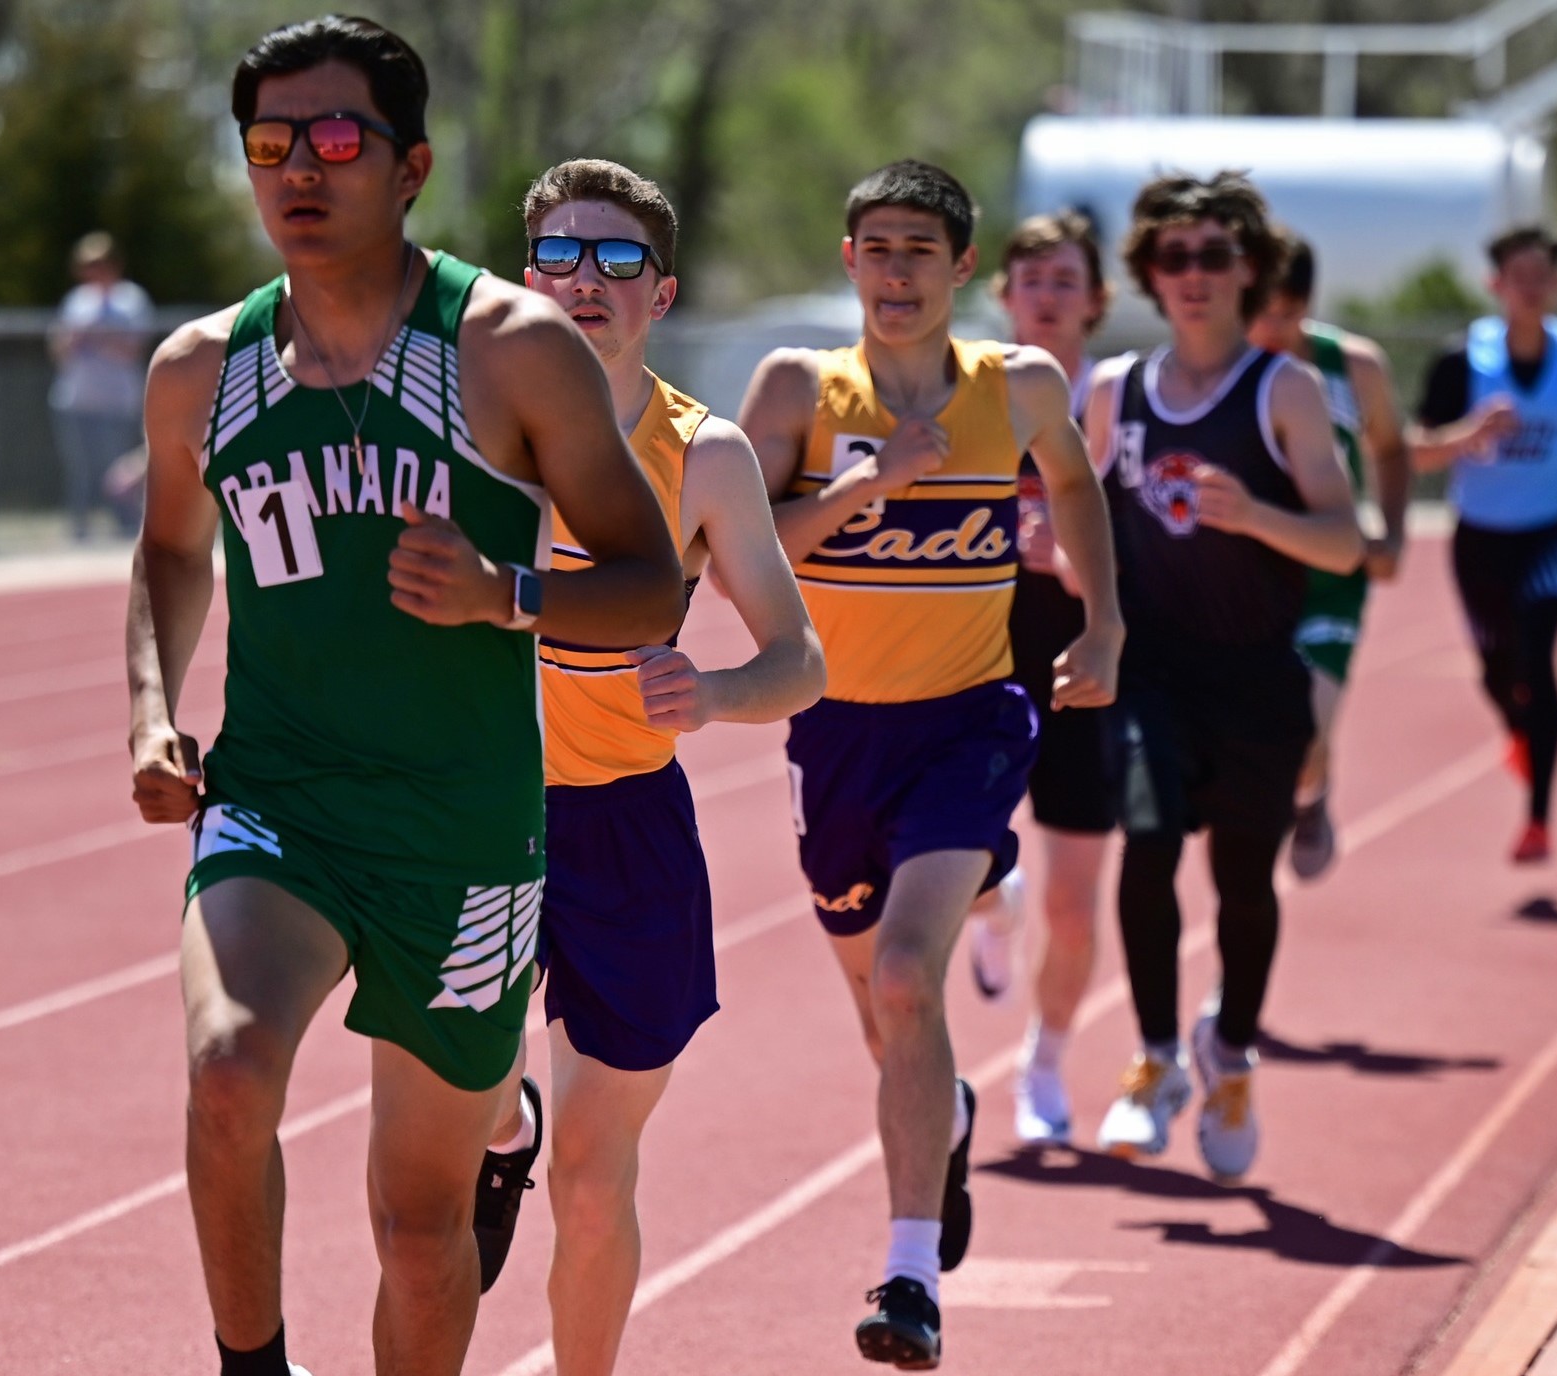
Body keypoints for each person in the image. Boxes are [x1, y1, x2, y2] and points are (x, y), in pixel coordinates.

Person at [125, 19, 683, 1376]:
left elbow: (652, 585)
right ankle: (251, 1366)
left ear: (411, 164)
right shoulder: (200, 369)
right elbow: (171, 548)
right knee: (226, 1070)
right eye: (271, 144)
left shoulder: (511, 347)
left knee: (421, 1234)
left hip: (464, 836)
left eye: (335, 140)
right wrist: (152, 706)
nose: (299, 169)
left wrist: (512, 596)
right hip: (280, 802)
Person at [740, 161, 1122, 1369]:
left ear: (963, 269)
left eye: (920, 249)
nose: (895, 269)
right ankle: (944, 1114)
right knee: (881, 1008)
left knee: (909, 974)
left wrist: (1103, 619)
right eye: (875, 246)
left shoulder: (1017, 386)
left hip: (968, 721)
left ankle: (908, 1277)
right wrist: (867, 486)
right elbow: (726, 544)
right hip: (834, 731)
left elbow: (1074, 482)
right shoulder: (799, 388)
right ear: (847, 260)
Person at [467, 158, 825, 1375]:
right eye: (561, 256)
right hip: (475, 813)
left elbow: (800, 659)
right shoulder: (463, 427)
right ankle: (497, 1117)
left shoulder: (706, 455)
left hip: (626, 828)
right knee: (461, 1111)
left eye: (617, 260)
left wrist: (715, 692)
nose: (586, 280)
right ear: (527, 280)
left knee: (595, 1164)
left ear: (659, 293)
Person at [1080, 172, 1363, 1180]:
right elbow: (1081, 524)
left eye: (1212, 256)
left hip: (1255, 674)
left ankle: (1229, 1047)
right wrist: (1063, 569)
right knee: (1146, 844)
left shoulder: (1281, 388)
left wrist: (1256, 516)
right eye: (1173, 257)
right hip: (1153, 669)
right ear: (1149, 273)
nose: (1191, 276)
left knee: (1243, 882)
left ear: (1249, 268)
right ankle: (1156, 1057)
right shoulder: (1115, 390)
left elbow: (1346, 541)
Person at [966, 210, 1122, 1149]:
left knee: (1073, 898)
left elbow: (1120, 543)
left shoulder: (1115, 397)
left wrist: (1064, 560)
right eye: (1032, 279)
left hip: (1082, 662)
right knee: (968, 853)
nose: (1049, 296)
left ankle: (1048, 1060)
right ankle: (993, 907)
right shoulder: (972, 391)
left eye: (1067, 280)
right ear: (1004, 295)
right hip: (980, 656)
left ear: (1096, 300)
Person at [1407, 225, 1557, 864]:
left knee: (1539, 659)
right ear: (1495, 285)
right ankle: (1519, 731)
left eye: (1540, 277)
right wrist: (1469, 432)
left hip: (1551, 534)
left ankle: (1539, 821)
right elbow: (1417, 455)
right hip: (1479, 538)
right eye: (1516, 277)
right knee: (1499, 675)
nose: (1529, 289)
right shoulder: (1460, 361)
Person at [1247, 232, 1410, 879]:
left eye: (1286, 313)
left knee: (1306, 740)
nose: (1272, 329)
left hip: (1329, 580)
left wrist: (1393, 533)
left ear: (1308, 304)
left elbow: (1392, 449)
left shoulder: (1354, 367)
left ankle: (1311, 794)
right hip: (1246, 581)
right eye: (1261, 311)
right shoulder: (1222, 368)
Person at [49, 231, 154, 539]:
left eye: (100, 263)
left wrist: (100, 335)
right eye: (88, 264)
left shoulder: (131, 300)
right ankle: (80, 530)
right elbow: (59, 349)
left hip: (118, 403)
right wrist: (73, 339)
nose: (93, 270)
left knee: (121, 472)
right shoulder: (75, 302)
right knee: (81, 470)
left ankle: (125, 530)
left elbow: (134, 348)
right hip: (76, 401)